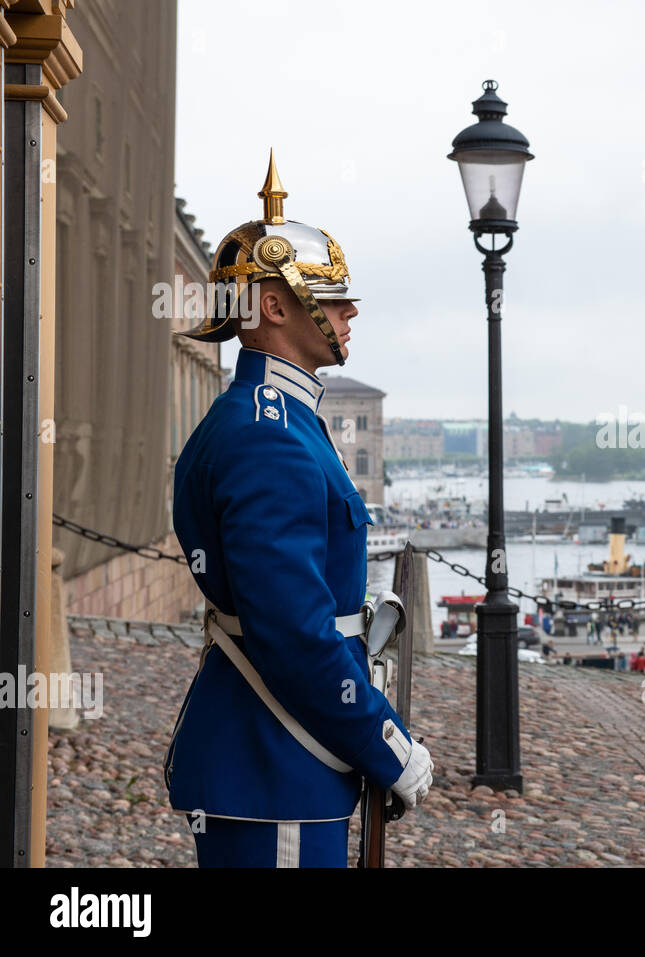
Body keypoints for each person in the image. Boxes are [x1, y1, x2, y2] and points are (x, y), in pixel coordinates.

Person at [167, 154, 432, 867]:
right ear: (276, 306)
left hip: (280, 756)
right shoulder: (268, 435)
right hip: (275, 757)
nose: (349, 311)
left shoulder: (279, 417)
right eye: (332, 294)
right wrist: (386, 741)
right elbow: (291, 632)